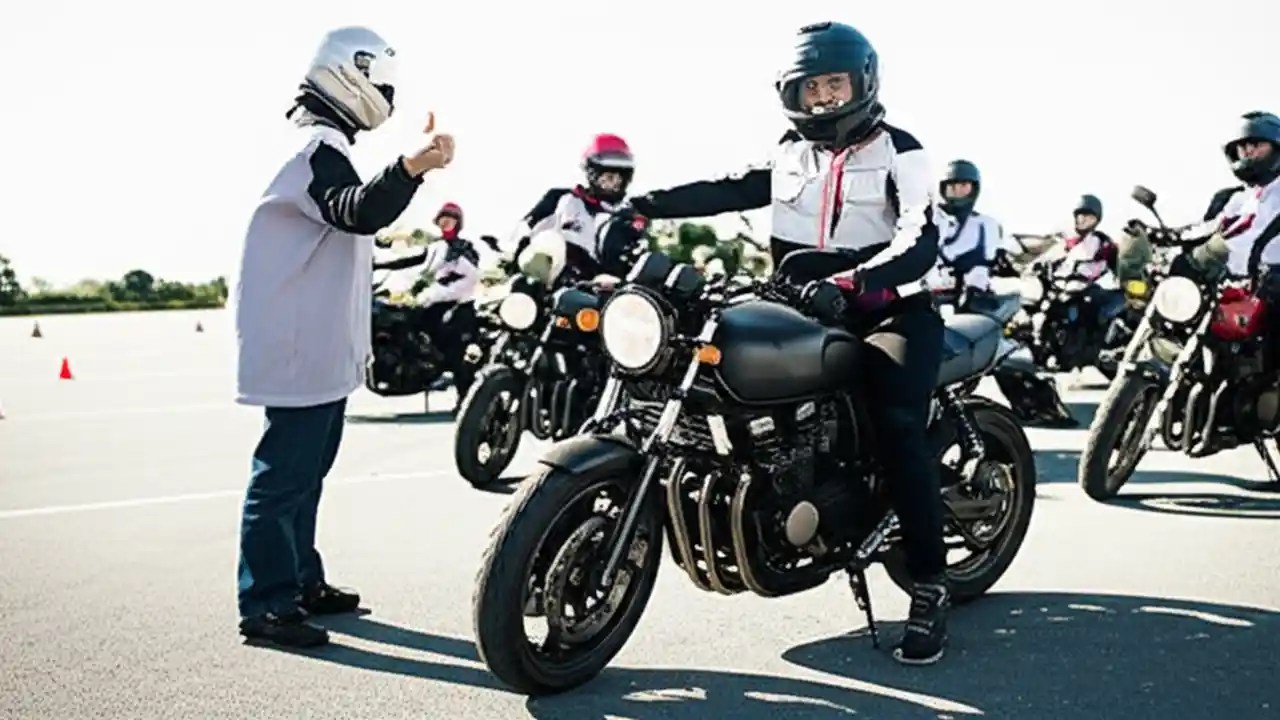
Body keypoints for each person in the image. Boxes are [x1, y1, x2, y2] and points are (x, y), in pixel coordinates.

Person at [629, 21, 950, 665]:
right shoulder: (788, 152)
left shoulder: (901, 151)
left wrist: (856, 279)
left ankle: (930, 587)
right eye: (811, 89)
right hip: (803, 305)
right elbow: (727, 189)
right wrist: (645, 206)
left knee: (896, 427)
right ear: (792, 95)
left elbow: (920, 239)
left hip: (891, 311)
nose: (825, 100)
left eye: (836, 85)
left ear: (864, 82)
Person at [232, 26, 454, 648]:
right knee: (282, 477)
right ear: (351, 76)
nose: (385, 94)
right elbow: (357, 209)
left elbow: (350, 223)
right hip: (298, 346)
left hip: (318, 348)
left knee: (306, 473)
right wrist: (414, 166)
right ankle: (267, 602)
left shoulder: (323, 147)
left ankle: (301, 581)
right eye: (382, 82)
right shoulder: (314, 150)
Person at [373, 202, 481, 410]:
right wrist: (378, 264)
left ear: (458, 223)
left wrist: (434, 294)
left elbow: (468, 279)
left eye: (451, 218)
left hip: (457, 305)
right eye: (443, 218)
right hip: (432, 302)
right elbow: (410, 263)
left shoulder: (464, 248)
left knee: (455, 349)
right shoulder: (435, 247)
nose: (446, 221)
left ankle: (466, 400)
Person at [507, 134, 648, 282]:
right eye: (608, 177)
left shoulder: (632, 215)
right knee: (550, 241)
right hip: (559, 285)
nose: (614, 184)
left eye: (620, 179)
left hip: (610, 290)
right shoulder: (561, 199)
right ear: (592, 173)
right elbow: (522, 233)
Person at [928, 159, 1005, 312]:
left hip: (972, 304)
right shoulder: (929, 220)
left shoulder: (986, 225)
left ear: (974, 189)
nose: (957, 191)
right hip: (929, 299)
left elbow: (990, 263)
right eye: (951, 186)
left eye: (963, 186)